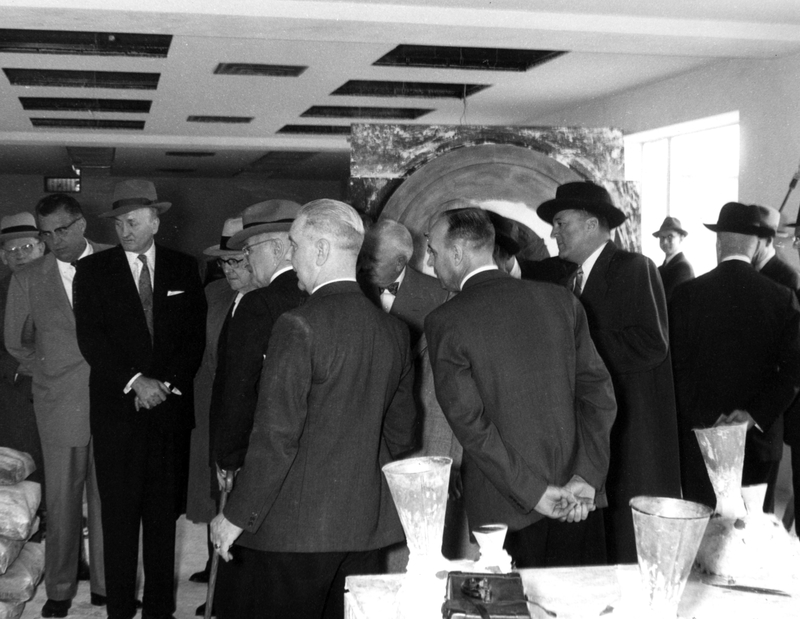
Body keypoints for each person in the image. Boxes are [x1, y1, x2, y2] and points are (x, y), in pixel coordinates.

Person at [210, 199, 417, 619]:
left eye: (294, 244)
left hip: (295, 533)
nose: (292, 256)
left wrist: (234, 516)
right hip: (364, 527)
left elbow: (276, 438)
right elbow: (402, 433)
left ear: (320, 251)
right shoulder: (394, 330)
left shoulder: (298, 324)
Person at [424, 207, 617, 567]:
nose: (430, 262)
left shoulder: (445, 321)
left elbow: (472, 427)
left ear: (456, 253)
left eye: (433, 252)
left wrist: (536, 493)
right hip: (580, 502)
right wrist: (587, 477)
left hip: (508, 512)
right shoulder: (561, 301)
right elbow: (600, 397)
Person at [74, 180, 206, 619]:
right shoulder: (92, 272)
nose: (124, 229)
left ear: (154, 220)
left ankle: (158, 612)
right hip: (117, 413)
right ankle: (117, 610)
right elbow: (92, 341)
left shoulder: (185, 269)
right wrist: (136, 381)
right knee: (118, 521)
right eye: (117, 222)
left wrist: (162, 385)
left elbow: (193, 340)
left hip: (167, 413)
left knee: (162, 522)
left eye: (132, 221)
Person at [536, 180, 681, 564]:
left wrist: (577, 348)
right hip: (599, 437)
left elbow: (652, 342)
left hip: (633, 436)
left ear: (590, 223)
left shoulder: (635, 267)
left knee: (631, 546)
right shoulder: (570, 280)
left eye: (561, 223)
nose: (554, 232)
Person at [4, 197, 110, 618]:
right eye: (46, 234)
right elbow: (16, 342)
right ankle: (61, 590)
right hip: (58, 405)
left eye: (62, 231)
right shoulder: (29, 278)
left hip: (112, 402)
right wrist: (48, 373)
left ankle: (107, 585)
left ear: (82, 224)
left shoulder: (116, 261)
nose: (54, 241)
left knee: (110, 503)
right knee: (63, 503)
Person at [670, 202, 800, 513]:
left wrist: (709, 416)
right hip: (759, 441)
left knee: (706, 527)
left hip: (703, 438)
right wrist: (753, 416)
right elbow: (794, 373)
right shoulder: (783, 298)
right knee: (753, 537)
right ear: (756, 245)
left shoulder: (687, 295)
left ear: (718, 242)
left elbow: (676, 369)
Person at [210, 200, 307, 618]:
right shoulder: (329, 299)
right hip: (315, 470)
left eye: (251, 250)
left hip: (261, 461)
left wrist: (227, 458)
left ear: (279, 247)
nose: (247, 260)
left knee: (250, 577)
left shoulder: (259, 304)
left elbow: (239, 392)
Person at [358, 218, 466, 559]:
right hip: (367, 428)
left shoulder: (442, 297)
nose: (363, 265)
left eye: (372, 260)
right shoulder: (353, 290)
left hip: (421, 433)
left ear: (401, 262)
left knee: (418, 537)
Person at [184, 216, 256, 613]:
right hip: (209, 402)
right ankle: (214, 561)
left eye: (238, 262)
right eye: (224, 263)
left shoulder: (266, 299)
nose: (230, 271)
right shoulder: (213, 294)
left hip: (244, 412)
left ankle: (226, 583)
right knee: (213, 494)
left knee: (240, 497)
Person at [0, 212, 46, 535]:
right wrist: (17, 366)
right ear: (2, 257)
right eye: (11, 251)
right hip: (14, 395)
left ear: (42, 247)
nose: (19, 256)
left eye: (26, 247)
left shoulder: (61, 282)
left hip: (58, 394)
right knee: (21, 475)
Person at [653, 216, 694, 300]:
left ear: (681, 238)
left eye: (670, 237)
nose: (665, 242)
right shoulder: (660, 269)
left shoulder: (683, 268)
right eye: (662, 237)